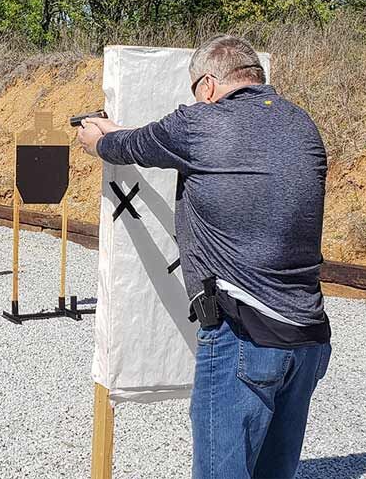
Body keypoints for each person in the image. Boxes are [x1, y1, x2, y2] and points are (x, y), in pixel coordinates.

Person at [76, 34, 332, 479]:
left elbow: (129, 146)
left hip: (244, 336)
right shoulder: (301, 124)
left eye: (195, 91)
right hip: (307, 340)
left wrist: (96, 140)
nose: (195, 101)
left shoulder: (201, 124)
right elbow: (158, 141)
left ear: (209, 85)